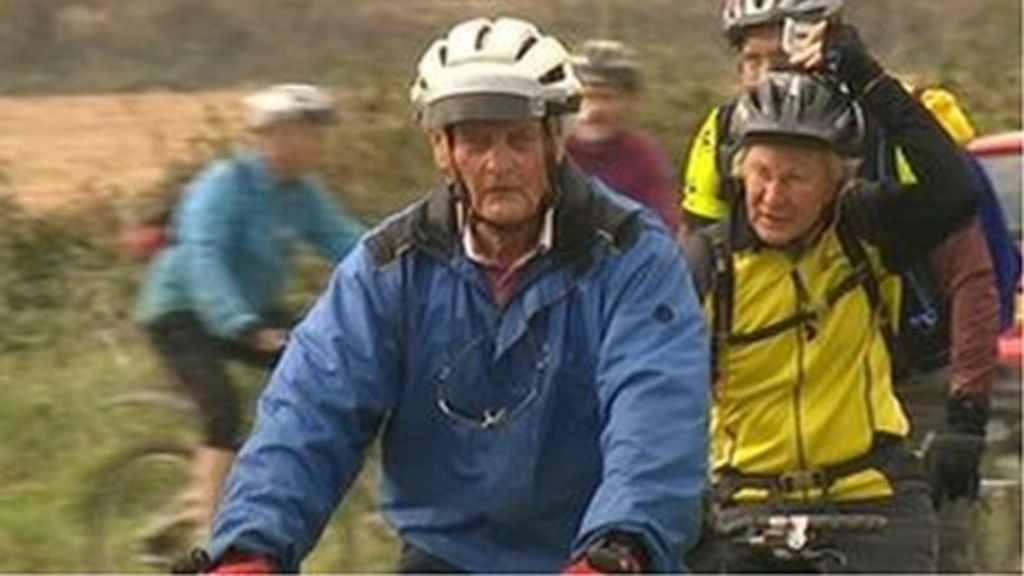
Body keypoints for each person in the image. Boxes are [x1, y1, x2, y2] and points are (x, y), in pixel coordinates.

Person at [197, 17, 710, 574]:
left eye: (518, 140)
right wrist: (250, 547)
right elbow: (310, 409)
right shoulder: (391, 266)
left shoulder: (633, 256)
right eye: (477, 141)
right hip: (447, 557)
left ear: (555, 141)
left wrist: (625, 543)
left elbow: (656, 412)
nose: (499, 163)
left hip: (602, 555)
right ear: (441, 148)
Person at [677, 2, 999, 567]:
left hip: (876, 475)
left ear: (835, 186)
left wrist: (866, 76)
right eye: (761, 176)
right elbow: (659, 382)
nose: (774, 197)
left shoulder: (864, 223)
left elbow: (958, 205)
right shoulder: (711, 257)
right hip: (749, 492)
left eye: (797, 179)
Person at [134, 83, 366, 551]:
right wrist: (242, 324)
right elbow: (204, 257)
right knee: (222, 411)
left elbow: (349, 243)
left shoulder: (303, 193)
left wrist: (411, 274)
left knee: (329, 367)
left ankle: (205, 498)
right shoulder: (223, 185)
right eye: (309, 132)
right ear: (272, 135)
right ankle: (213, 542)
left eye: (320, 133)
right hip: (182, 312)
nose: (319, 143)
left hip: (250, 310)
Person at [567, 39, 681, 233]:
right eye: (586, 97)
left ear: (629, 102)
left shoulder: (643, 156)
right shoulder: (547, 151)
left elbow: (661, 227)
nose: (595, 110)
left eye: (606, 98)